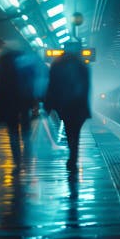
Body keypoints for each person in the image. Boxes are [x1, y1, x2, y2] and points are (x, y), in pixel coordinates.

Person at [44, 43, 90, 173]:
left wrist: (48, 105)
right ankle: (73, 156)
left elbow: (51, 86)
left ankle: (72, 156)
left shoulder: (57, 64)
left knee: (70, 131)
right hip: (79, 105)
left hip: (64, 104)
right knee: (76, 132)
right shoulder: (82, 64)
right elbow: (86, 87)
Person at [0, 44, 37, 169]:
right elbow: (31, 84)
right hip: (24, 101)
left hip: (8, 102)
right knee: (26, 129)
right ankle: (27, 152)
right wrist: (34, 103)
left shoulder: (2, 64)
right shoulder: (25, 64)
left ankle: (17, 162)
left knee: (13, 132)